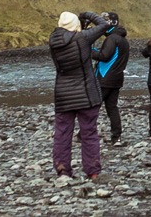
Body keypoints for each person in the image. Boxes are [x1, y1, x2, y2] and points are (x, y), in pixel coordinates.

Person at [48, 11, 113, 179]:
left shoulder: (53, 40)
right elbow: (105, 25)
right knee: (89, 133)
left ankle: (62, 169)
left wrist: (80, 24)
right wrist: (87, 14)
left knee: (62, 133)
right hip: (86, 93)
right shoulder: (82, 38)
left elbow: (70, 37)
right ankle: (92, 171)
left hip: (63, 94)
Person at [91, 10, 129, 143]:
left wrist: (89, 51)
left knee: (94, 107)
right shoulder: (122, 39)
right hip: (117, 79)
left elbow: (104, 56)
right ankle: (116, 136)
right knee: (112, 107)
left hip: (105, 78)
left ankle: (84, 134)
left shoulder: (112, 39)